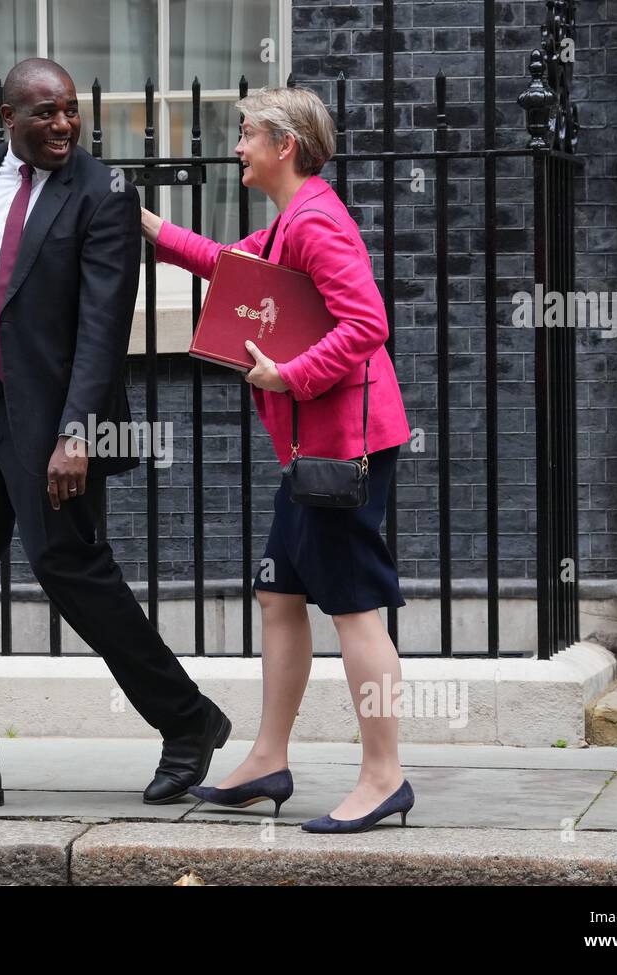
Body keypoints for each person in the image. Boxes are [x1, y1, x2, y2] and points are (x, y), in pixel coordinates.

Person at [0, 57, 231, 819]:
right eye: (46, 112)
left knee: (71, 572)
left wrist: (77, 435)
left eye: (70, 109)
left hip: (52, 423)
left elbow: (104, 327)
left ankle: (188, 719)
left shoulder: (103, 193)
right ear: (8, 118)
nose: (65, 123)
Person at [140, 85, 415, 833]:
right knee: (278, 593)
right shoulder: (293, 218)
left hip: (345, 449)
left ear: (284, 145)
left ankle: (384, 775)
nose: (238, 148)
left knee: (355, 611)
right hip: (312, 452)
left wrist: (289, 375)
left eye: (247, 134)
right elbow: (229, 265)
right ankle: (267, 758)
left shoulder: (316, 222)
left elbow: (367, 323)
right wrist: (150, 226)